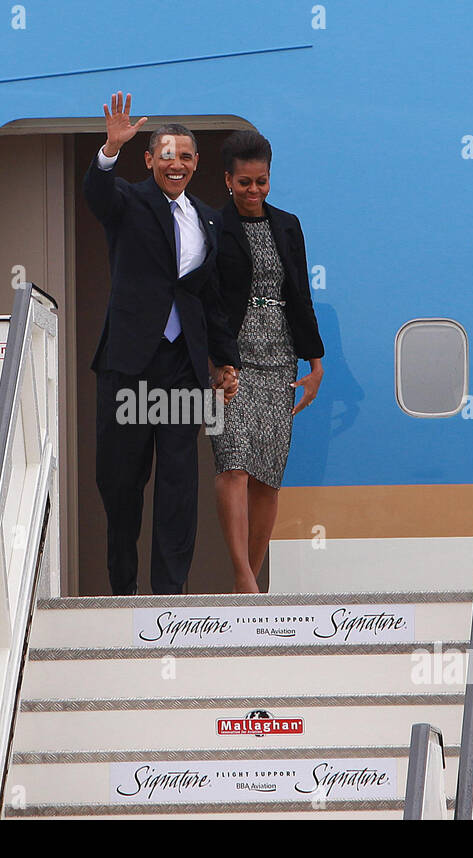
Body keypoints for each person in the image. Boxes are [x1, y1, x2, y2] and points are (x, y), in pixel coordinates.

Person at [84, 92, 239, 595]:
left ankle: (169, 598)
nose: (176, 164)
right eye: (166, 155)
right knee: (123, 484)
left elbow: (208, 298)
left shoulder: (210, 219)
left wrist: (224, 362)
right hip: (129, 363)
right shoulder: (128, 200)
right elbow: (97, 195)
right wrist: (109, 149)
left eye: (186, 156)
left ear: (196, 164)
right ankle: (122, 592)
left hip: (182, 365)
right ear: (149, 160)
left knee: (179, 486)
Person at [211, 129, 325, 593]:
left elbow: (300, 293)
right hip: (232, 364)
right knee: (233, 465)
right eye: (244, 183)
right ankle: (244, 577)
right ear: (227, 181)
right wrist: (219, 360)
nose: (253, 191)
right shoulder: (212, 227)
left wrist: (315, 363)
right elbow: (210, 300)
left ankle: (246, 584)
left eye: (261, 182)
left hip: (280, 358)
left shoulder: (289, 225)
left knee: (267, 476)